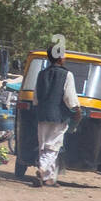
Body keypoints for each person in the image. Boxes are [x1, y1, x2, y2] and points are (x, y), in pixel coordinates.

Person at [33, 50, 80, 186]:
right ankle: (42, 168)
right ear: (59, 58)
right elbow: (70, 97)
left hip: (42, 114)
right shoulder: (67, 75)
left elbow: (35, 97)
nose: (65, 58)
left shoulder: (41, 74)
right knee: (53, 146)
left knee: (43, 146)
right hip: (59, 117)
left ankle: (48, 178)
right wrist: (77, 109)